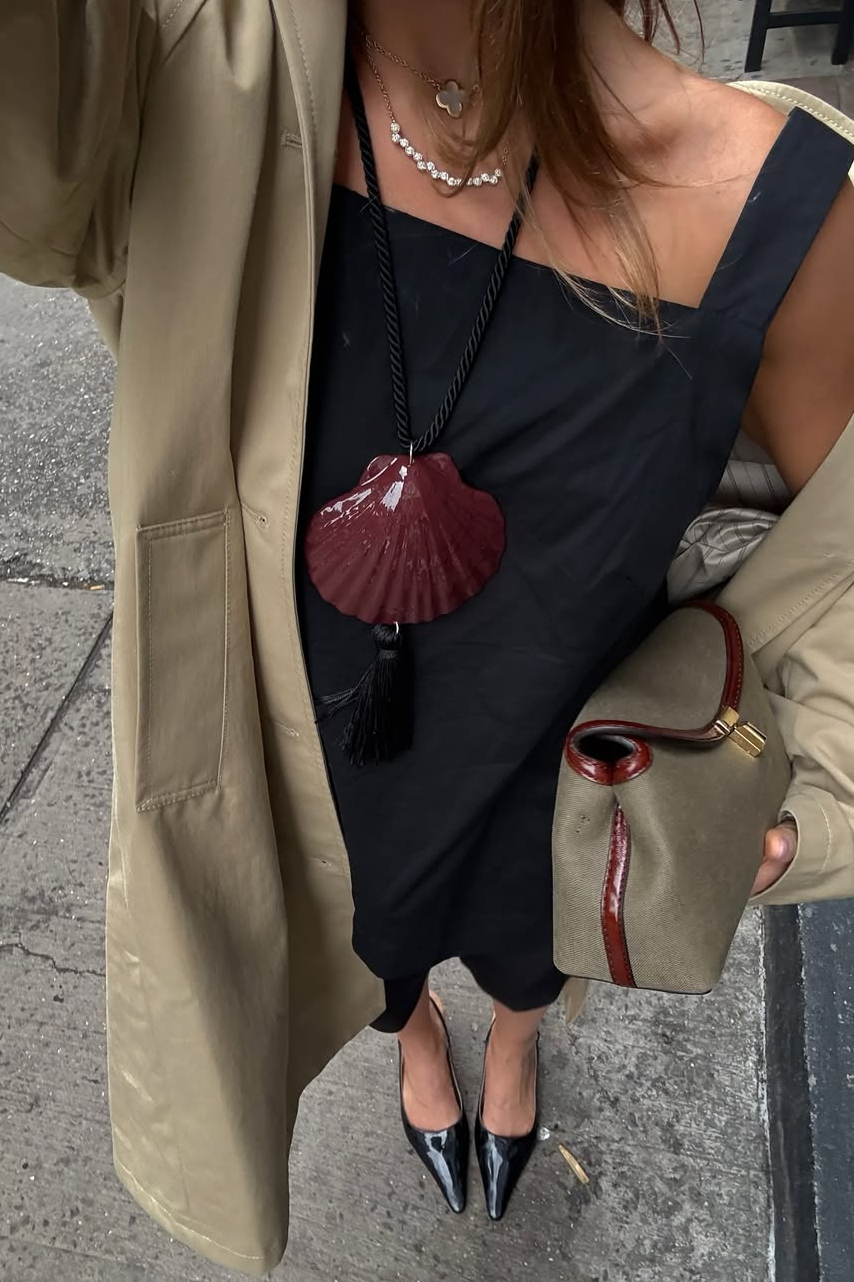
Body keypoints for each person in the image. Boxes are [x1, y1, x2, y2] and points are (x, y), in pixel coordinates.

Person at [2, 0, 853, 1273]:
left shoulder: (781, 211)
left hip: (548, 790)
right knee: (367, 959)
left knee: (524, 952)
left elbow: (837, 576)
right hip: (311, 782)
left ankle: (511, 1049)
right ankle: (408, 1039)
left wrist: (808, 813)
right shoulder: (173, 77)